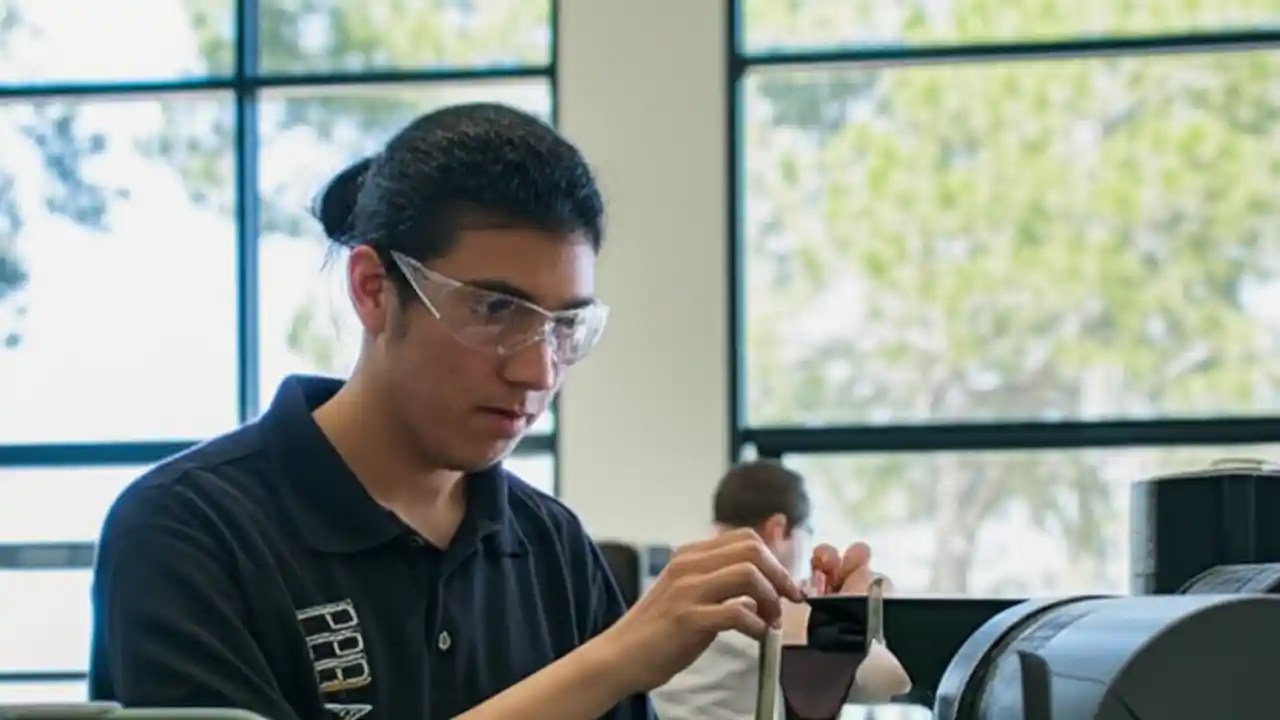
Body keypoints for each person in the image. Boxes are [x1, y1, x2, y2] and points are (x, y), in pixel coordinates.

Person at [87, 103, 869, 720]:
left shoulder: (549, 547)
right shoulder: (188, 532)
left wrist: (804, 690)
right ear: (372, 289)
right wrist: (614, 659)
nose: (536, 369)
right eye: (495, 307)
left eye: (567, 327)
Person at [651, 460, 879, 720]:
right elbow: (878, 685)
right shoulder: (757, 601)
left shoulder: (668, 582)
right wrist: (859, 606)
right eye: (807, 530)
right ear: (778, 529)